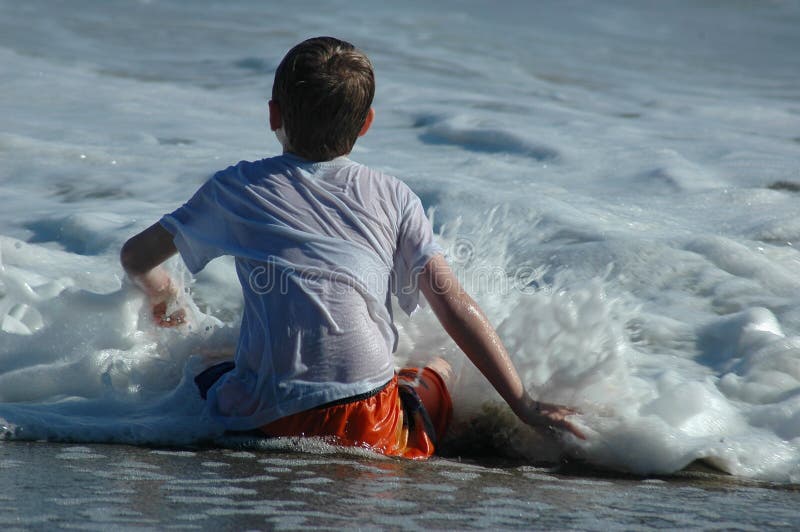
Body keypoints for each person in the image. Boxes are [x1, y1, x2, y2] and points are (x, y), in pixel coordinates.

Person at [120, 36, 584, 459]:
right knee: (438, 366)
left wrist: (164, 295)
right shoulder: (395, 195)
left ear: (273, 115)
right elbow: (452, 302)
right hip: (365, 425)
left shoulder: (236, 187)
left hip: (264, 419)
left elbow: (135, 257)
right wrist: (524, 404)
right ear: (366, 124)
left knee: (206, 363)